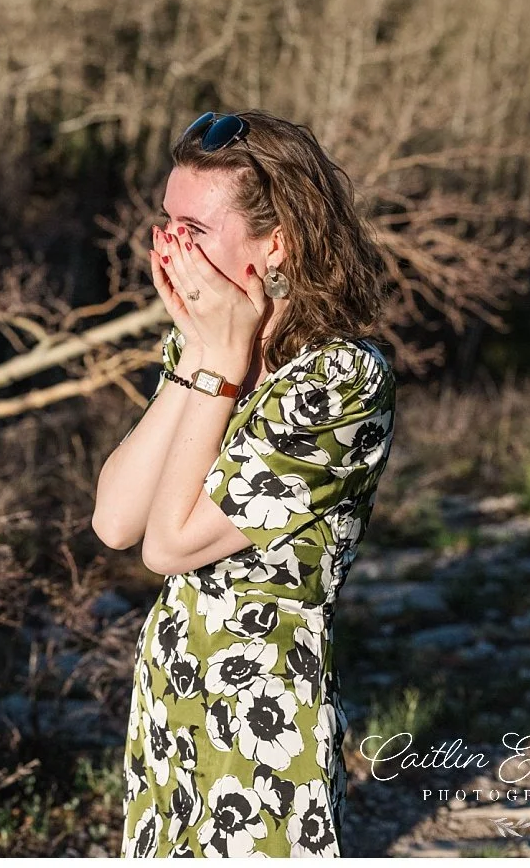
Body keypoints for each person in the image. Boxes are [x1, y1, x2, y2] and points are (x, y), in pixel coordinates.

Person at [92, 111, 396, 857]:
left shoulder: (342, 380)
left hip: (264, 713)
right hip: (171, 692)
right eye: (165, 221)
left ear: (278, 241)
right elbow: (114, 518)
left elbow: (169, 545)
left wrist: (218, 363)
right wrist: (203, 351)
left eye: (193, 227)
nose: (168, 245)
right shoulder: (203, 344)